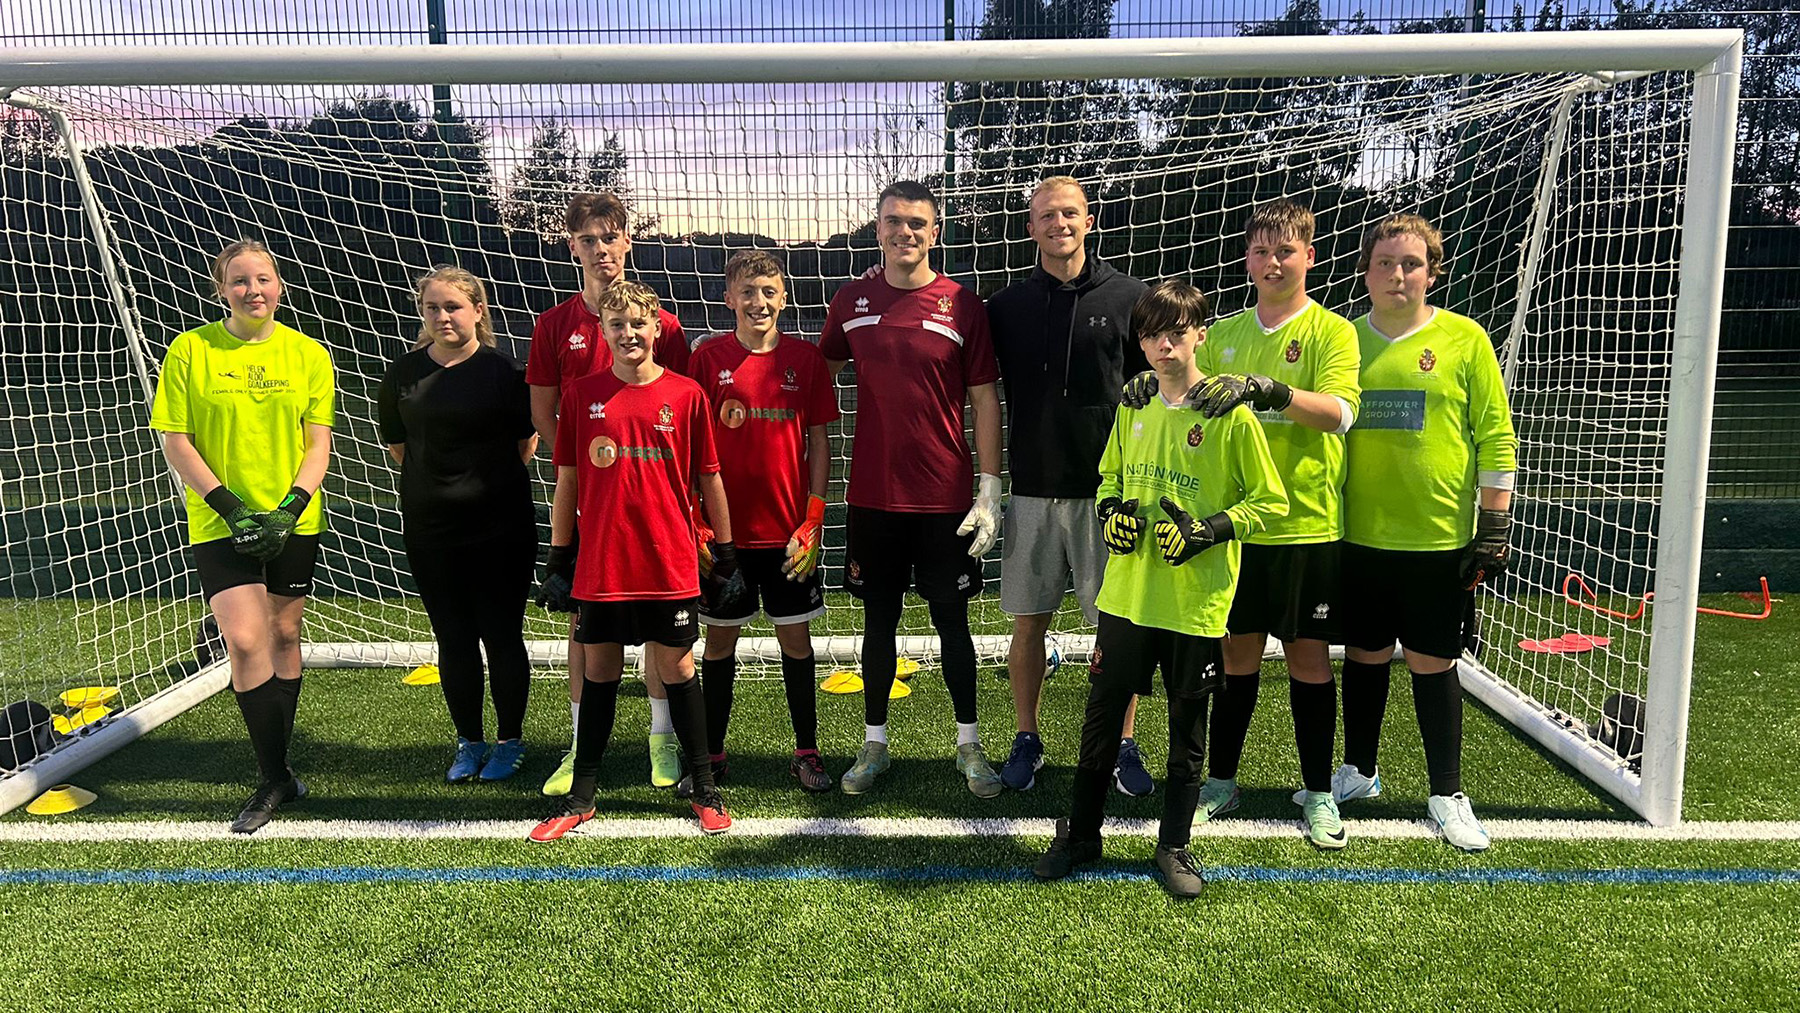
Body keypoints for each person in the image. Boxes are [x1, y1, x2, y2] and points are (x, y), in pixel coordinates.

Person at [1122, 198, 1361, 849]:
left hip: (1306, 526)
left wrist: (1272, 391)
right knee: (1235, 655)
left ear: (1309, 256)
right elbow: (1179, 386)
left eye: (1285, 250)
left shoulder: (1332, 333)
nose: (1272, 261)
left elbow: (1341, 414)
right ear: (1247, 258)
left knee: (1309, 657)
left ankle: (1317, 792)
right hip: (1230, 527)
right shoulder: (1222, 333)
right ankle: (1222, 780)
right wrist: (1148, 384)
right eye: (1261, 250)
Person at [1035, 281, 1287, 897]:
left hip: (1194, 605)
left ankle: (1174, 846)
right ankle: (1082, 833)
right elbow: (1109, 476)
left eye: (1176, 332)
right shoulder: (1134, 402)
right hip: (1126, 598)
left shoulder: (1233, 417)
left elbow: (1271, 502)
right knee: (1100, 719)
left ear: (1202, 333)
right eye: (1151, 335)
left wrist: (1210, 530)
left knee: (1186, 729)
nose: (1163, 345)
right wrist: (1113, 510)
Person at [529, 281, 735, 841]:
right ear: (604, 333)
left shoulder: (688, 394)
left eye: (639, 325)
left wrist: (727, 553)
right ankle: (582, 794)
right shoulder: (581, 396)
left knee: (678, 670)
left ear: (656, 330)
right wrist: (560, 555)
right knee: (599, 672)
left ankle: (704, 787)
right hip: (602, 564)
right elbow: (567, 478)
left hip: (668, 561)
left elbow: (708, 476)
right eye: (617, 326)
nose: (629, 335)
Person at [1336, 213, 1517, 851]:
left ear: (1432, 273)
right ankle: (1358, 772)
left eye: (1411, 263)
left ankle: (1446, 792)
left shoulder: (1465, 340)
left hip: (1438, 540)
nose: (1397, 274)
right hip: (1356, 536)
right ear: (1365, 271)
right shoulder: (1345, 341)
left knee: (1431, 662)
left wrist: (1493, 524)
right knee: (1362, 655)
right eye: (1384, 262)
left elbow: (1495, 434)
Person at [819, 180, 1005, 797]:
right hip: (872, 494)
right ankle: (874, 746)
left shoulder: (962, 305)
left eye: (917, 223)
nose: (906, 233)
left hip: (945, 495)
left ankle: (969, 746)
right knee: (879, 623)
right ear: (878, 229)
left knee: (954, 622)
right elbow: (819, 374)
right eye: (894, 222)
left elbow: (983, 397)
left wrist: (988, 485)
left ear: (936, 230)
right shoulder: (851, 300)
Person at [150, 240, 333, 834]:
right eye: (239, 281)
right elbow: (177, 440)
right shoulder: (191, 350)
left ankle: (280, 773)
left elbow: (317, 444)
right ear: (221, 289)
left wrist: (289, 509)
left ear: (280, 285)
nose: (253, 289)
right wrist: (231, 509)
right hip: (218, 520)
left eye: (264, 278)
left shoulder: (308, 354)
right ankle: (271, 775)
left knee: (284, 633)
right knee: (246, 641)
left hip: (292, 519)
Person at [986, 176, 1151, 795]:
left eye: (1070, 213)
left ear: (1089, 220)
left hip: (1107, 491)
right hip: (1030, 491)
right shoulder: (1004, 308)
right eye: (1046, 215)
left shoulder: (1133, 297)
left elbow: (1156, 394)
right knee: (1028, 623)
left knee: (1117, 628)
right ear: (1031, 227)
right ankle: (1027, 736)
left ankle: (1121, 742)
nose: (1059, 223)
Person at [525, 192, 691, 797]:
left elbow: (678, 408)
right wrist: (583, 468)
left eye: (611, 237)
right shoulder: (554, 325)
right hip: (588, 498)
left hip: (652, 497)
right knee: (582, 619)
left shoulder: (663, 325)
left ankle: (661, 736)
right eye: (589, 239)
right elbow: (545, 412)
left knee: (655, 613)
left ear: (628, 243)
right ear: (573, 247)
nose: (602, 249)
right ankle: (577, 744)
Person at [378, 266, 538, 783]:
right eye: (433, 308)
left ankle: (510, 741)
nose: (443, 317)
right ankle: (469, 741)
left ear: (478, 310)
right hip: (431, 527)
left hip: (501, 527)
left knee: (502, 634)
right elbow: (399, 446)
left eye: (453, 307)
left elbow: (525, 445)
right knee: (453, 637)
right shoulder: (403, 374)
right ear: (423, 313)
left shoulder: (506, 373)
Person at [687, 251, 839, 792]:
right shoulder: (707, 360)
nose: (759, 302)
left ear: (784, 297)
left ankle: (806, 752)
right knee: (719, 646)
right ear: (729, 299)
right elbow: (690, 448)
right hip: (725, 537)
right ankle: (711, 756)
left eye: (769, 292)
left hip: (789, 535)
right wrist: (697, 519)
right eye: (747, 292)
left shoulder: (806, 359)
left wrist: (814, 516)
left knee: (795, 643)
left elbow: (820, 443)